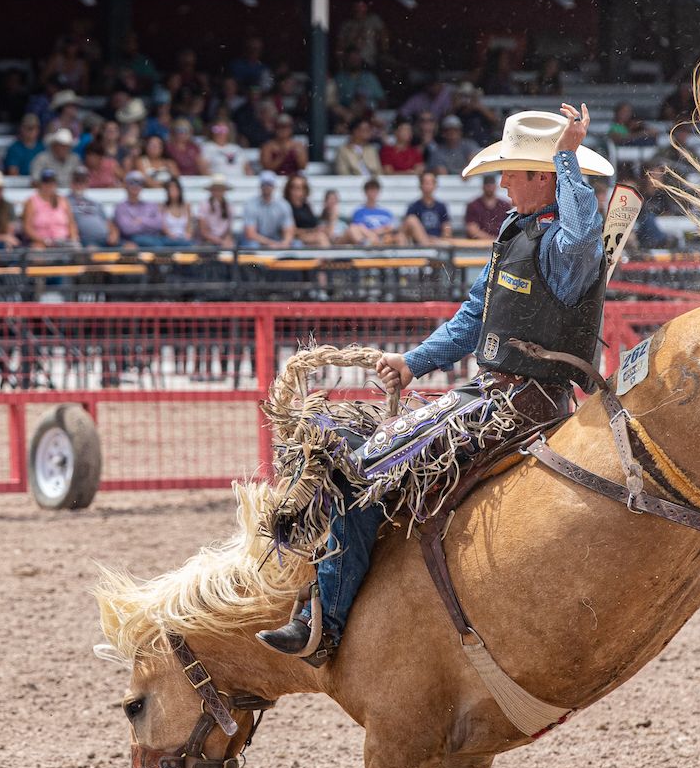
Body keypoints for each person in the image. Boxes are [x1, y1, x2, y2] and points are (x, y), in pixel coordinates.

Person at [258, 105, 615, 664]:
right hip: (493, 393)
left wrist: (567, 156)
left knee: (363, 464)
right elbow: (475, 316)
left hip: (519, 403)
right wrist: (413, 363)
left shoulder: (560, 246)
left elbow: (580, 240)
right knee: (366, 452)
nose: (501, 184)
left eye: (512, 172)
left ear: (543, 177)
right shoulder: (516, 232)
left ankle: (322, 622)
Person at [22, 169, 78, 245]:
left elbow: (71, 224)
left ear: (56, 184)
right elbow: (27, 227)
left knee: (78, 251)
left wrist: (73, 240)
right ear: (40, 184)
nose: (49, 185)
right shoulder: (32, 201)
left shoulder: (63, 200)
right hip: (41, 242)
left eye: (52, 182)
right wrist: (44, 241)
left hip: (63, 242)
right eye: (46, 182)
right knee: (37, 252)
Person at [111, 172, 167, 246]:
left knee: (180, 243)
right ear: (126, 185)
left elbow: (159, 225)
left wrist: (141, 221)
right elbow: (127, 230)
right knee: (157, 245)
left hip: (155, 237)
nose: (135, 185)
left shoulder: (151, 204)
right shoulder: (120, 207)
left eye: (139, 183)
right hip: (134, 239)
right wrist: (149, 225)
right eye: (132, 182)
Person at [240, 175, 294, 247]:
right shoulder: (251, 204)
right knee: (252, 245)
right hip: (258, 240)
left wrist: (285, 243)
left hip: (275, 238)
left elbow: (289, 230)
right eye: (264, 184)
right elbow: (250, 234)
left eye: (269, 184)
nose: (266, 187)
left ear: (274, 186)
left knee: (296, 244)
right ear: (260, 186)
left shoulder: (283, 204)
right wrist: (272, 243)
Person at [401, 168, 451, 243]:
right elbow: (406, 229)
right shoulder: (414, 207)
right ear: (421, 185)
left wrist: (443, 238)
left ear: (435, 185)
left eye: (431, 182)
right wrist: (426, 239)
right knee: (411, 220)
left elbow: (446, 227)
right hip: (419, 243)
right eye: (426, 182)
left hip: (437, 242)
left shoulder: (441, 206)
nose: (428, 186)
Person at [348, 177, 397, 244]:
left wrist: (377, 232)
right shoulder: (359, 212)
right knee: (354, 228)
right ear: (365, 192)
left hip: (384, 238)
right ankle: (369, 243)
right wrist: (375, 233)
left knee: (397, 235)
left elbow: (390, 228)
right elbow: (358, 228)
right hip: (367, 238)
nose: (373, 193)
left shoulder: (386, 212)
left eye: (375, 190)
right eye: (371, 189)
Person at [463, 173, 511, 240]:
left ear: (495, 187)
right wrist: (493, 240)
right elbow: (472, 230)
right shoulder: (473, 205)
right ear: (483, 187)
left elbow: (509, 226)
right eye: (488, 186)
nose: (490, 189)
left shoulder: (504, 205)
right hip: (478, 244)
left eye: (491, 186)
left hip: (501, 243)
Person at [65, 169, 109, 242]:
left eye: (82, 181)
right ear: (71, 183)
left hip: (105, 239)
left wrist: (113, 233)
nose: (79, 184)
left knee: (128, 248)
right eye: (77, 181)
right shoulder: (65, 201)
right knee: (92, 249)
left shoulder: (95, 202)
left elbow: (107, 221)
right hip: (85, 239)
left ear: (86, 183)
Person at [195, 174, 233, 245]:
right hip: (206, 241)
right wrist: (220, 241)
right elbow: (203, 232)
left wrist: (228, 240)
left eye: (220, 189)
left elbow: (228, 230)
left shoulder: (228, 206)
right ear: (211, 191)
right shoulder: (204, 205)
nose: (218, 192)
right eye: (216, 189)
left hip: (221, 240)